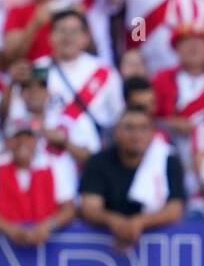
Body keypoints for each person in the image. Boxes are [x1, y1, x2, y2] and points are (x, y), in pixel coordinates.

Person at [78, 106, 185, 249]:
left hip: (158, 248)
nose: (137, 135)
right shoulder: (98, 162)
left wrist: (140, 222)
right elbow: (89, 208)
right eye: (129, 128)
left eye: (143, 128)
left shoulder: (167, 160)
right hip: (104, 245)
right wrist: (115, 221)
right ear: (116, 132)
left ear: (153, 133)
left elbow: (174, 210)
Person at [0, 119, 78, 245]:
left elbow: (68, 208)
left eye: (28, 137)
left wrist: (47, 226)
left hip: (48, 244)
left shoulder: (56, 165)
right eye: (16, 137)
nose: (22, 142)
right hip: (4, 244)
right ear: (7, 142)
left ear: (36, 141)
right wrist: (11, 230)